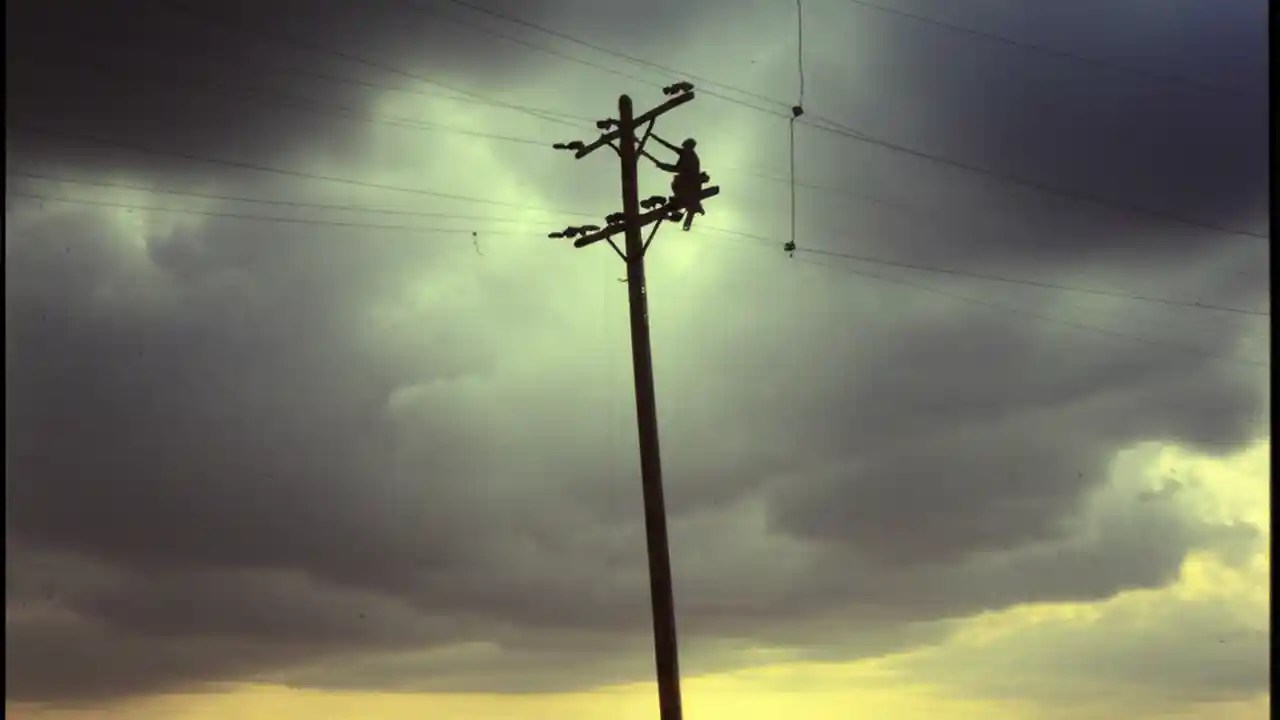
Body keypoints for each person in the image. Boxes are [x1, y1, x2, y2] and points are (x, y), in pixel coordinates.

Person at [650, 136, 706, 230]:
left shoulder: (690, 156)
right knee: (689, 203)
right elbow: (668, 146)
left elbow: (677, 169)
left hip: (688, 183)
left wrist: (662, 166)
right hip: (687, 183)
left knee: (686, 199)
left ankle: (684, 210)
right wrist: (654, 137)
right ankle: (685, 211)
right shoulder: (686, 153)